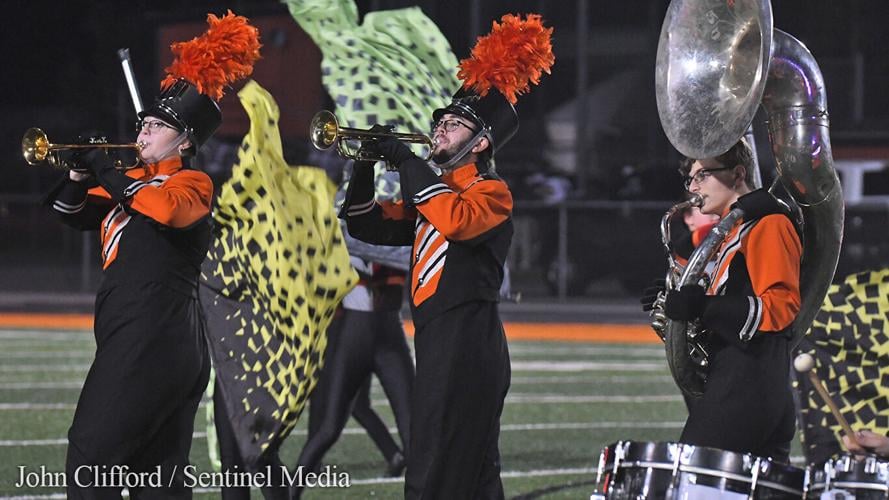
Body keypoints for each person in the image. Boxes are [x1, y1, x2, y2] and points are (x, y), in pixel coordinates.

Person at [44, 13, 259, 498]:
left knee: (89, 460)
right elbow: (66, 211)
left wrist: (109, 171)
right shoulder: (133, 185)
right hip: (147, 340)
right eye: (143, 123)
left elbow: (164, 210)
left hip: (155, 337)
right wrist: (81, 175)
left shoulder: (192, 183)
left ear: (186, 141)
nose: (141, 133)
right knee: (158, 483)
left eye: (157, 126)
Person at [662, 139, 802, 463]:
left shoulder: (768, 223)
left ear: (738, 174)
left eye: (703, 176)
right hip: (738, 380)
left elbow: (781, 309)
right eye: (691, 178)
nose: (693, 187)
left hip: (749, 384)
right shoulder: (733, 231)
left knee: (694, 482)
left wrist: (704, 308)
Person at [291, 226, 414, 499]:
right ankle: (289, 494)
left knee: (414, 435)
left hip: (387, 338)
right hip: (355, 336)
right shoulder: (340, 227)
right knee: (328, 427)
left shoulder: (394, 225)